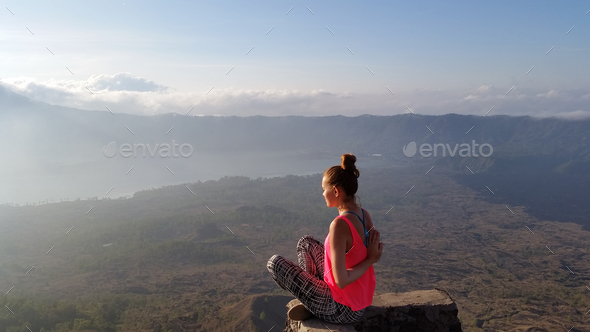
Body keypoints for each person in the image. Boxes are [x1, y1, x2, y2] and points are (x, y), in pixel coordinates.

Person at [266, 153, 384, 324]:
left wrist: (370, 260)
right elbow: (373, 251)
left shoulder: (339, 225)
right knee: (305, 243)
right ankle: (313, 301)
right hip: (359, 300)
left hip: (343, 308)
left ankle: (312, 303)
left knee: (274, 263)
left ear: (335, 191)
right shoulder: (364, 215)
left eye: (324, 189)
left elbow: (342, 281)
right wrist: (372, 259)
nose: (322, 194)